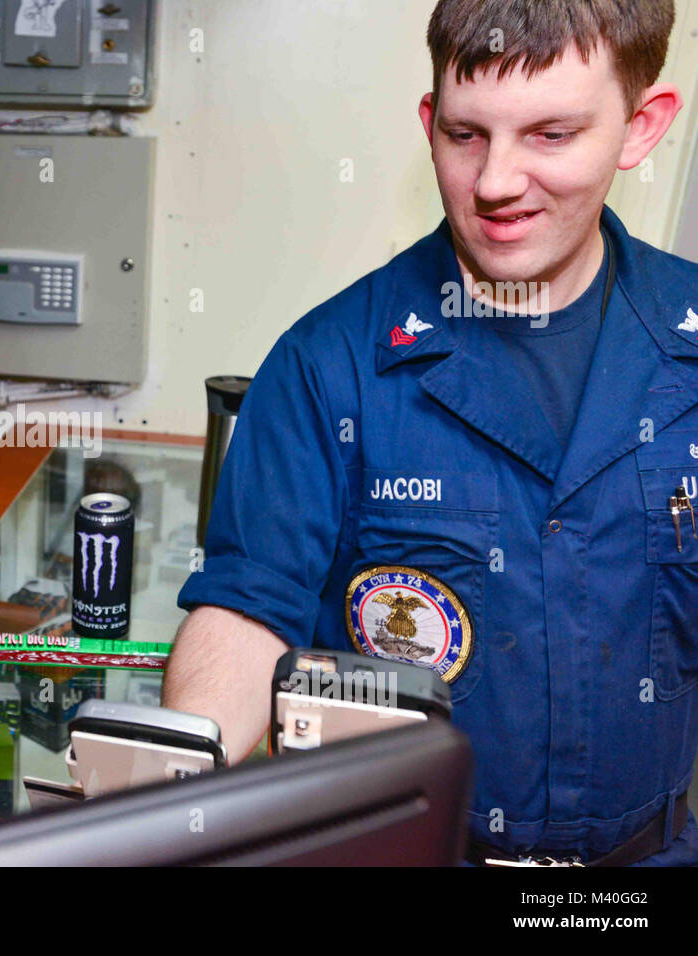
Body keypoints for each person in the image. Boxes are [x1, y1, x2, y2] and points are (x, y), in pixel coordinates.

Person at [166, 0, 698, 866]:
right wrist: (176, 794)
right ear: (430, 122)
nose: (494, 181)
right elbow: (247, 608)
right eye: (465, 134)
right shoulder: (326, 364)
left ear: (641, 128)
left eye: (551, 136)